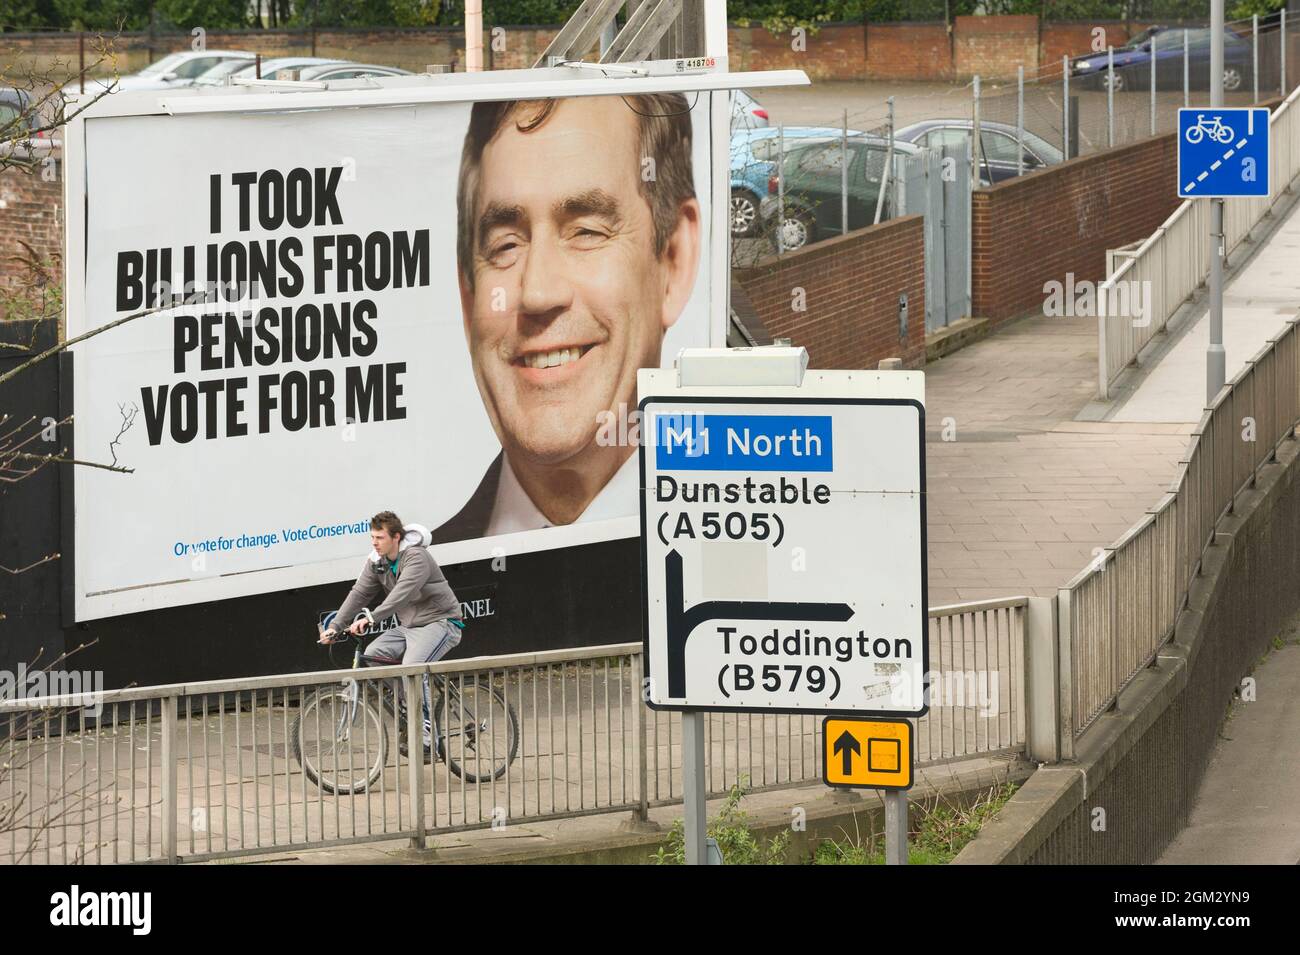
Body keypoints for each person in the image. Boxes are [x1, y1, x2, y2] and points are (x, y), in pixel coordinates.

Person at [432, 92, 702, 544]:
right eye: (505, 245)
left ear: (674, 261)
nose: (537, 292)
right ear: (468, 299)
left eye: (586, 232)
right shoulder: (402, 587)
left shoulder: (742, 555)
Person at [321, 512, 464, 735]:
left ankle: (426, 737)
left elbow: (402, 594)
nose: (375, 543)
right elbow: (359, 593)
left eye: (380, 538)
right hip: (409, 626)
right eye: (372, 538)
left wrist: (371, 618)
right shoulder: (377, 563)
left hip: (440, 622)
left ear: (396, 537)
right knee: (374, 654)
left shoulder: (417, 557)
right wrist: (335, 626)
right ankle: (410, 704)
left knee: (412, 669)